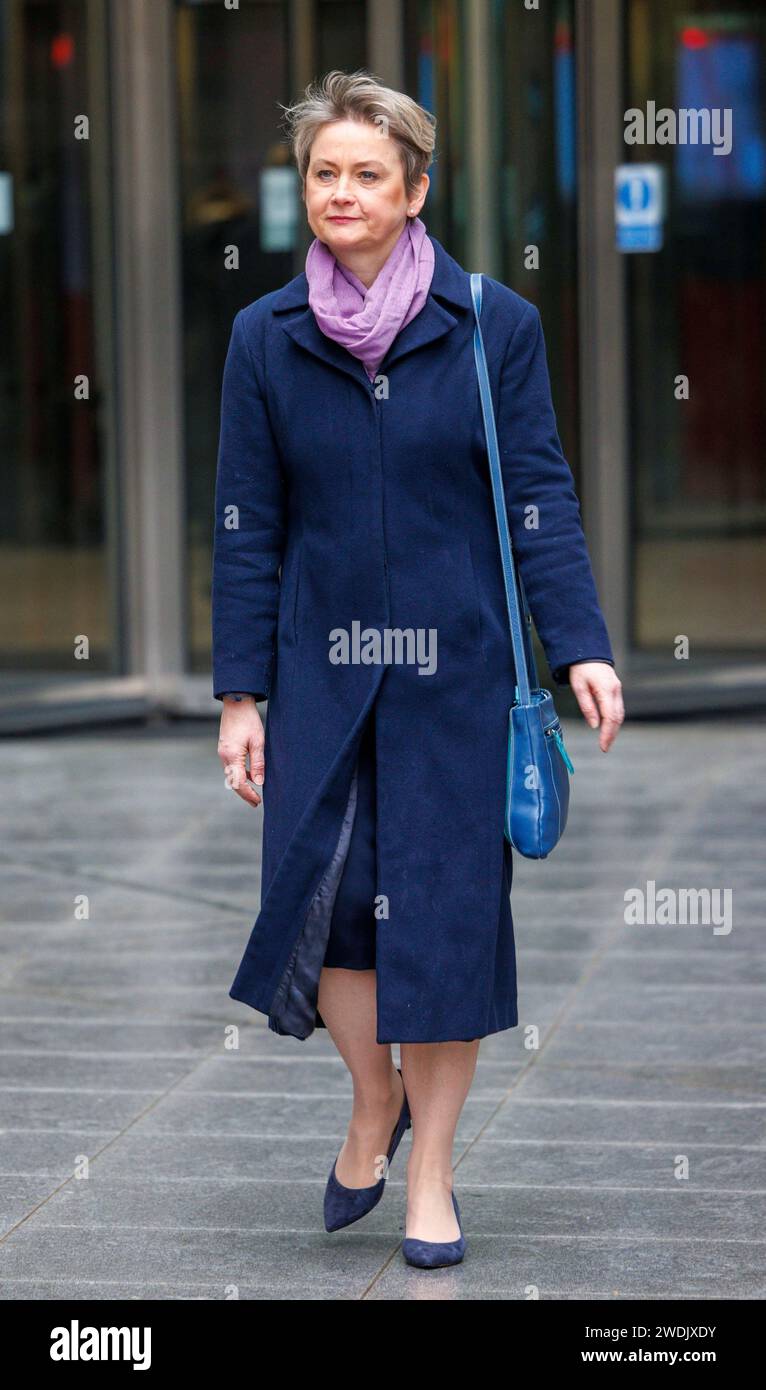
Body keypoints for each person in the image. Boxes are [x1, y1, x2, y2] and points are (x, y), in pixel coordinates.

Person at [212, 69, 624, 1269]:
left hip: (458, 681)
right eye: (323, 174)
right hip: (324, 677)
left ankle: (431, 1172)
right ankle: (371, 1096)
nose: (341, 193)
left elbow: (538, 495)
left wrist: (582, 644)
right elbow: (246, 519)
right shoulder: (263, 337)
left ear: (416, 189)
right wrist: (242, 694)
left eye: (365, 174)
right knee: (329, 916)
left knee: (444, 926)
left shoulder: (494, 322)